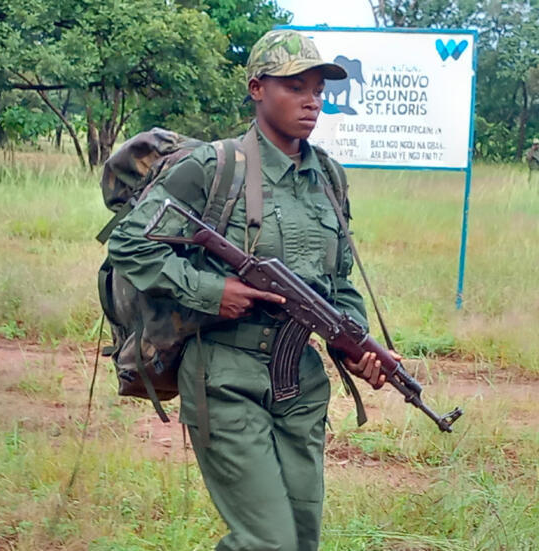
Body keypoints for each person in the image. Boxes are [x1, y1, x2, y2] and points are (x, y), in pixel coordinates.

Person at [107, 29, 395, 551]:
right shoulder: (214, 168)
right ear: (257, 88)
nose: (311, 101)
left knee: (301, 540)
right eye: (295, 86)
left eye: (318, 90)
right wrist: (211, 290)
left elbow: (338, 282)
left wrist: (354, 343)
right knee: (268, 543)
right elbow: (131, 243)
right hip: (224, 377)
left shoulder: (328, 175)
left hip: (298, 385)